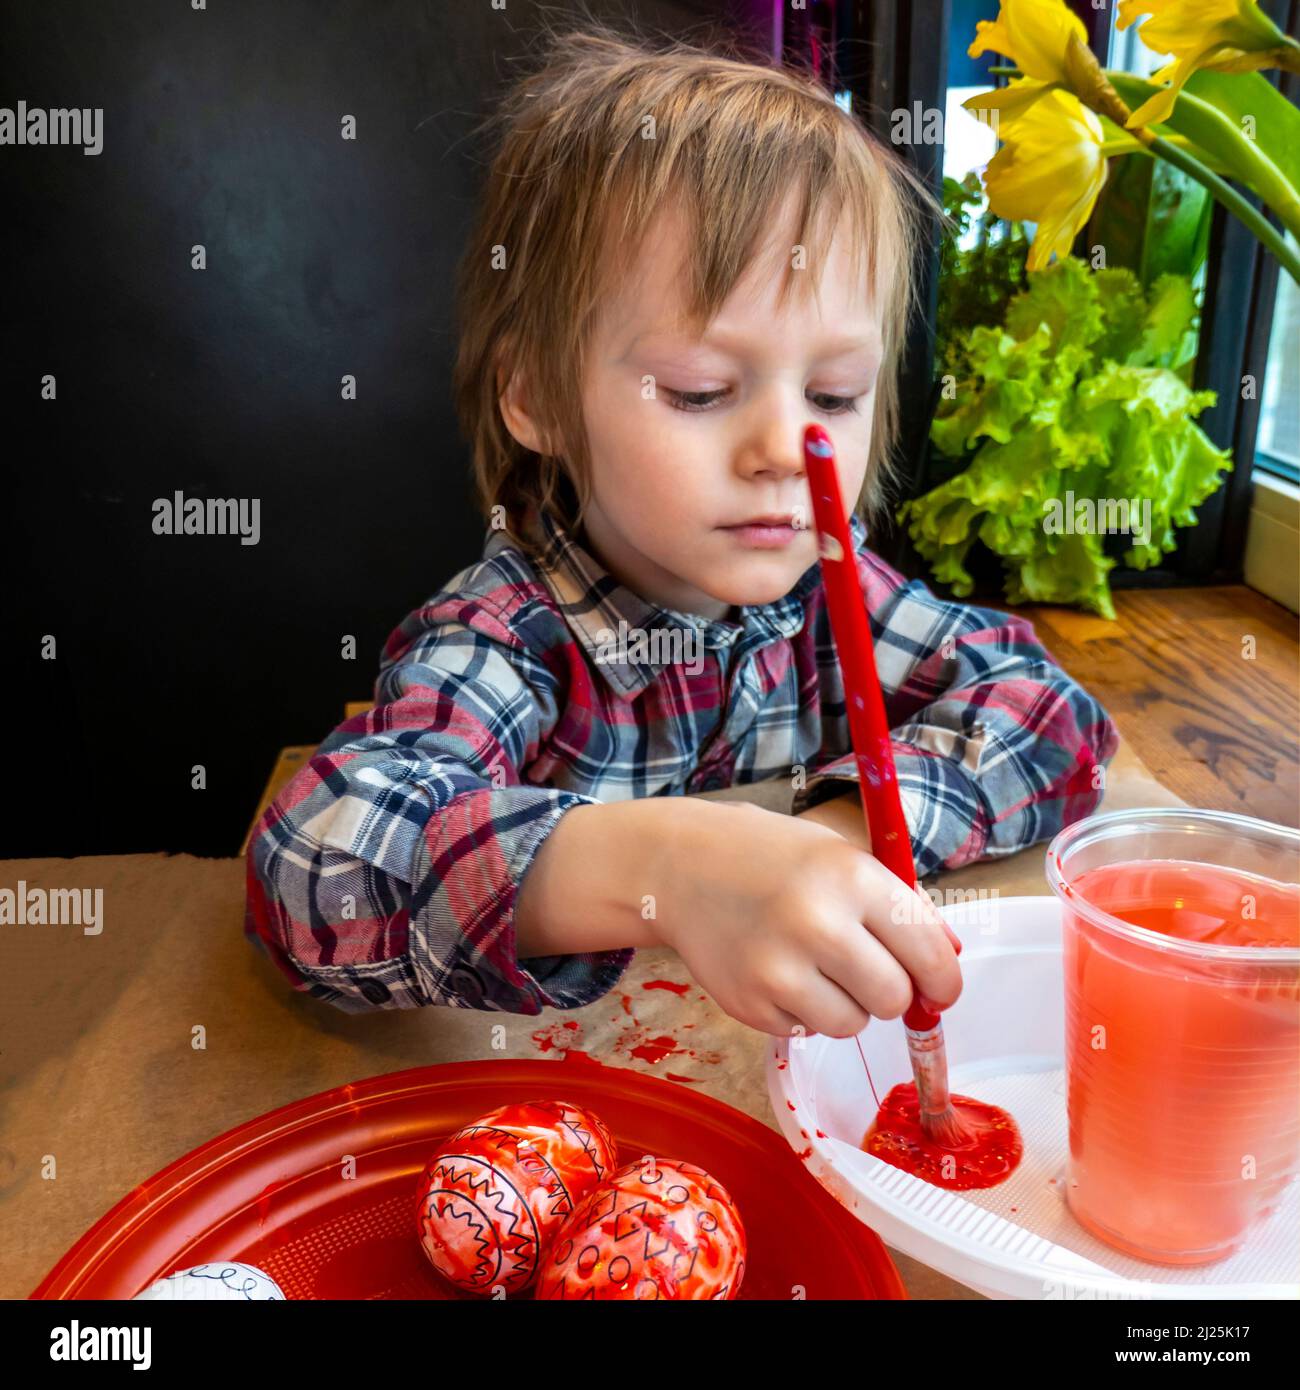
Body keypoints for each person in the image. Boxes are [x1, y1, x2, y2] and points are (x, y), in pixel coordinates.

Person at [245, 27, 1118, 1040]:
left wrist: (837, 839)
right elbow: (310, 866)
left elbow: (1052, 716)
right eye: (700, 390)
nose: (787, 449)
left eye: (834, 392)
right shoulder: (504, 637)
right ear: (532, 394)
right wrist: (664, 868)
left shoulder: (832, 601)